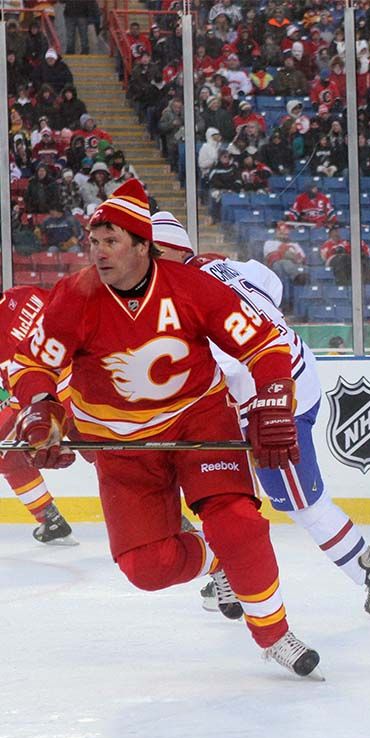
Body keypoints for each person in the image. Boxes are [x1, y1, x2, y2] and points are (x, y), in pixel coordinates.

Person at [9, 180, 322, 678]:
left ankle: (273, 634)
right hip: (118, 443)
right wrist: (42, 405)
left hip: (197, 420)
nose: (99, 252)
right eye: (93, 242)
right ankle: (221, 562)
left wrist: (275, 400)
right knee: (146, 568)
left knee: (237, 522)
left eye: (111, 241)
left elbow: (263, 344)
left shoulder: (193, 288)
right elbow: (32, 363)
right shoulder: (76, 295)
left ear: (141, 244)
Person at [150, 212, 370, 618]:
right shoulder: (221, 265)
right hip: (288, 374)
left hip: (274, 398)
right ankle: (233, 578)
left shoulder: (185, 296)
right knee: (223, 489)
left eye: (151, 252)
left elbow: (232, 362)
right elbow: (270, 284)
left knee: (301, 502)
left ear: (170, 252)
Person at [0, 285, 76, 546]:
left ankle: (164, 514)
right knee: (105, 452)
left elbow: (21, 388)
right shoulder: (24, 293)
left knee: (7, 452)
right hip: (88, 375)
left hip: (58, 392)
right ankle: (50, 520)